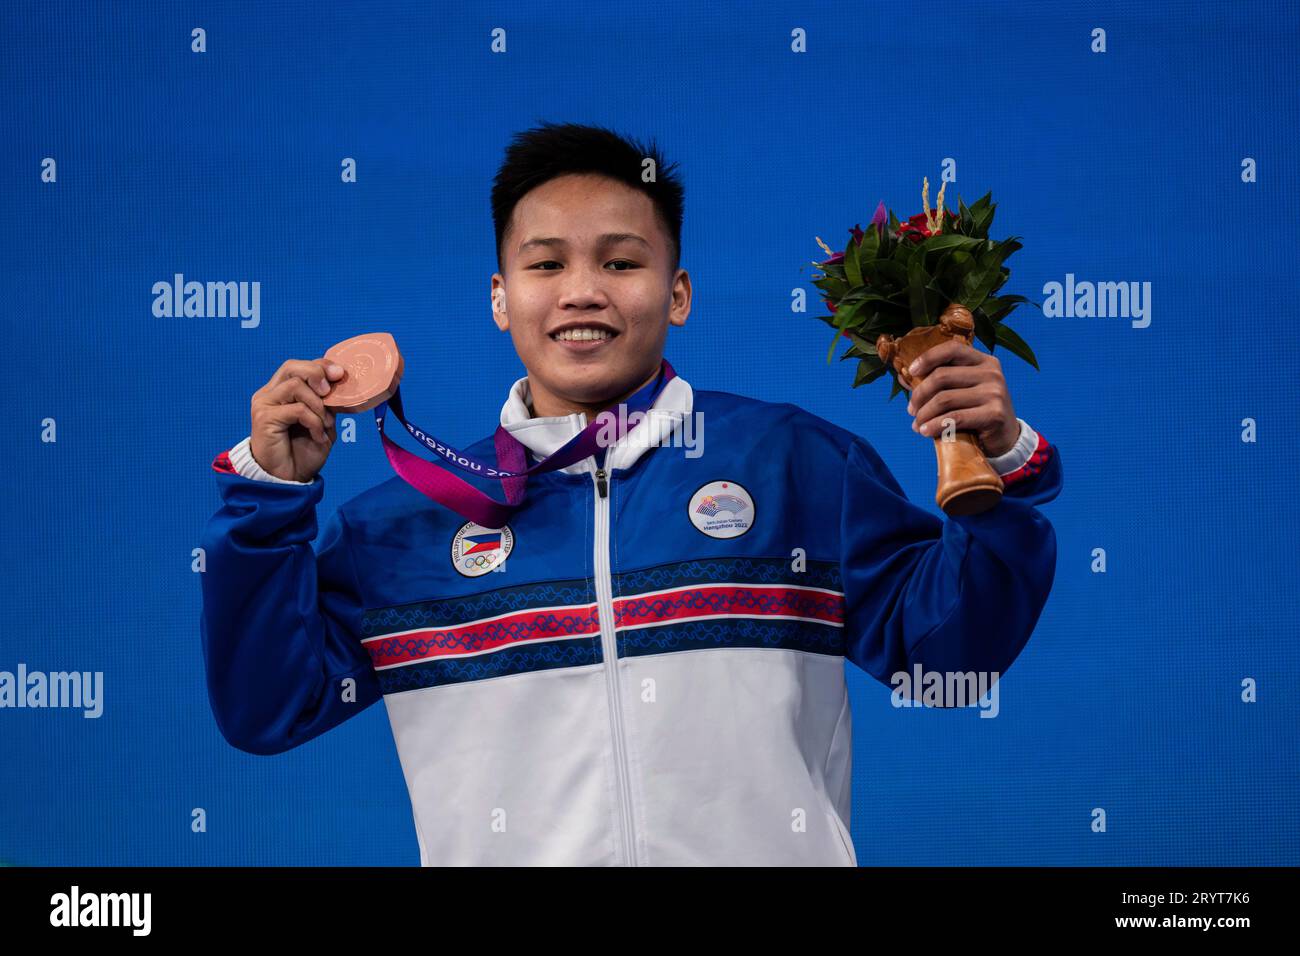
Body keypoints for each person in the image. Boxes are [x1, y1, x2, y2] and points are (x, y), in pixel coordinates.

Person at [199, 122, 1062, 866]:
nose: (583, 290)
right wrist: (268, 497)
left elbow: (951, 660)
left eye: (621, 260)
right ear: (501, 299)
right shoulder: (405, 526)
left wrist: (998, 466)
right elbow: (266, 708)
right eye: (546, 264)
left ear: (677, 294)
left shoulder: (794, 464)